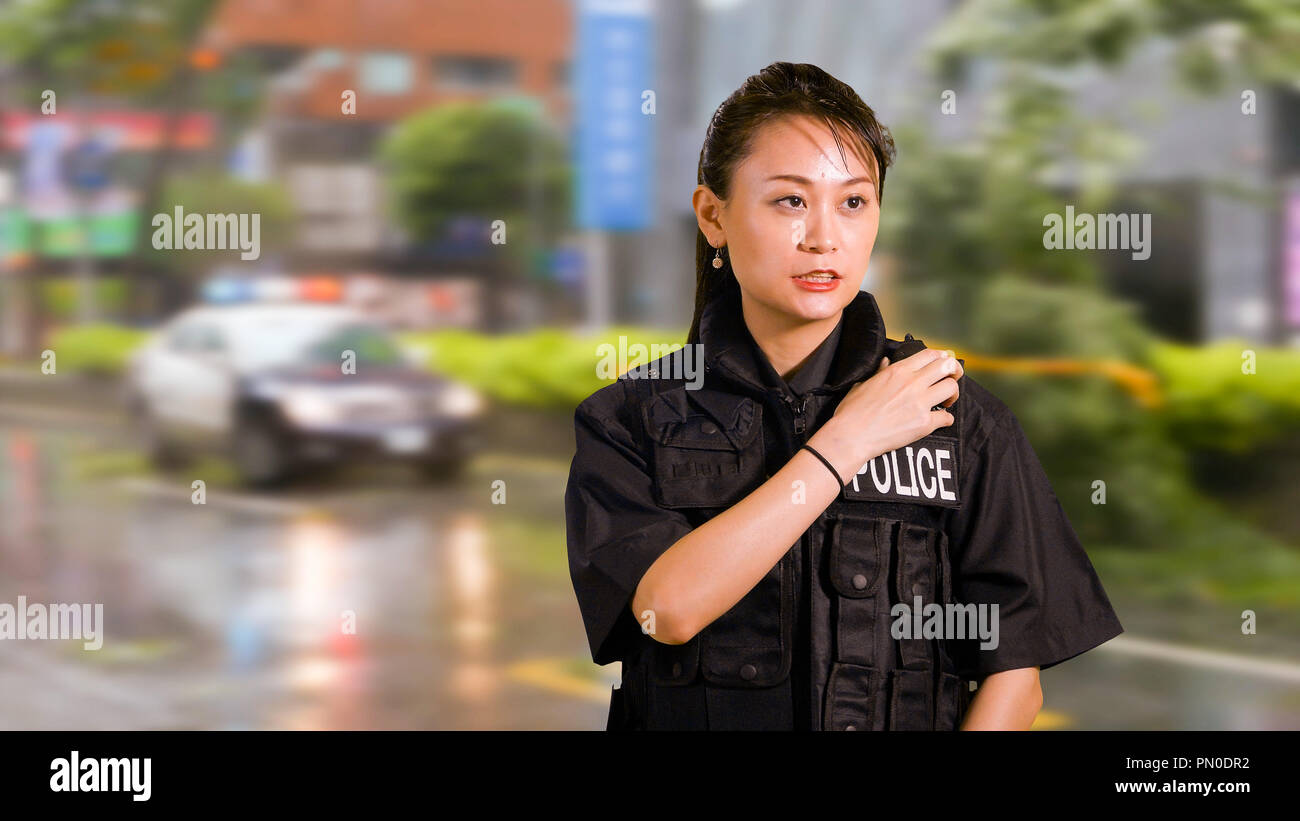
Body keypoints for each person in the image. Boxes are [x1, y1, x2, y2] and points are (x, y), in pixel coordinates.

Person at [565, 62, 1123, 731]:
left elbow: (1014, 679)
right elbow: (671, 607)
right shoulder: (630, 418)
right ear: (713, 215)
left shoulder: (953, 414)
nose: (825, 237)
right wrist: (847, 439)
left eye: (853, 202)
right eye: (790, 201)